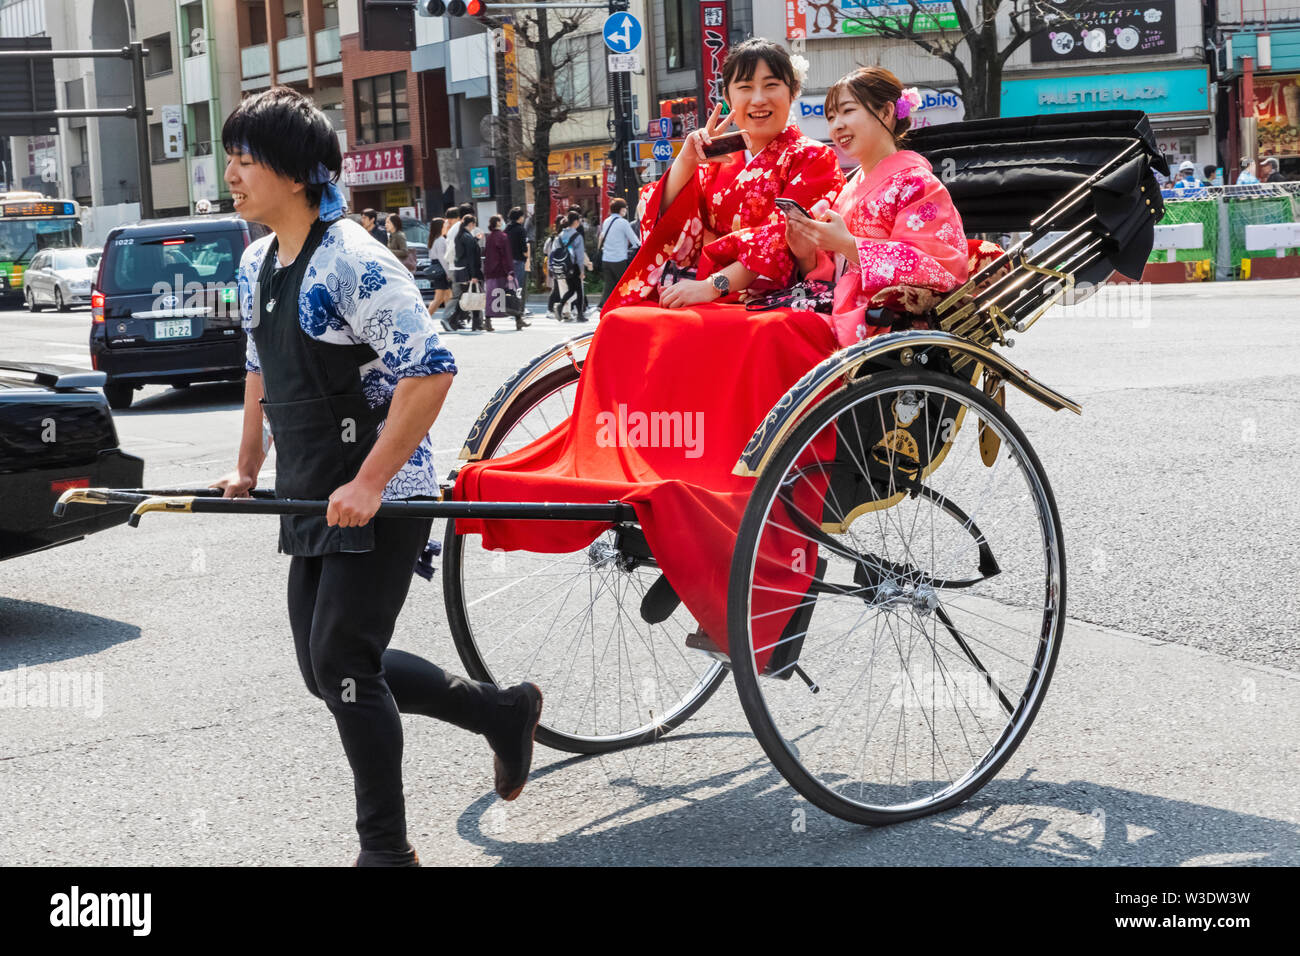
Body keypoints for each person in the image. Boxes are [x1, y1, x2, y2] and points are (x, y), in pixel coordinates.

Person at [211, 86, 542, 868]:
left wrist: (369, 484)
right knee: (325, 669)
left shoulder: (351, 260)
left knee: (342, 663)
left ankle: (385, 851)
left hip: (383, 493)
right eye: (229, 158)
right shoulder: (259, 260)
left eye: (246, 159)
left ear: (295, 173)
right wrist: (248, 463)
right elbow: (262, 368)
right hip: (311, 488)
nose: (231, 173)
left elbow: (430, 369)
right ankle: (499, 712)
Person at [605, 37, 845, 313]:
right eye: (745, 87)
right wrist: (686, 160)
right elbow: (667, 228)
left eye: (771, 85)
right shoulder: (718, 159)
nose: (758, 99)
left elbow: (782, 239)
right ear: (729, 97)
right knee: (624, 320)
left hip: (779, 299)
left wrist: (712, 285)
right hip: (707, 293)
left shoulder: (813, 157)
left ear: (793, 91)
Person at [786, 67, 971, 348]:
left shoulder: (918, 184)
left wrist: (848, 244)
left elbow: (937, 266)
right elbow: (831, 267)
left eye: (847, 111)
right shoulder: (847, 189)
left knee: (778, 330)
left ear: (885, 112)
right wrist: (805, 255)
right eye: (831, 117)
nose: (836, 126)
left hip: (876, 320)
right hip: (839, 302)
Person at [484, 214, 528, 331]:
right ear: (498, 223)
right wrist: (510, 271)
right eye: (501, 220)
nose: (503, 222)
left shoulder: (488, 237)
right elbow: (506, 256)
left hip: (491, 272)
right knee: (512, 294)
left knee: (491, 297)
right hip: (502, 271)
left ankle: (487, 321)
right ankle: (518, 319)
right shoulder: (503, 237)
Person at [597, 198, 640, 308]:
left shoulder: (607, 221)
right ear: (621, 210)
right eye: (625, 208)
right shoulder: (623, 222)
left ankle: (602, 305)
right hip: (619, 259)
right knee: (623, 284)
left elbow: (601, 237)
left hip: (606, 258)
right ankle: (625, 305)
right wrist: (637, 247)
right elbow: (634, 240)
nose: (625, 210)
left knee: (609, 284)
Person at [452, 212, 487, 331]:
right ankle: (474, 324)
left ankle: (458, 320)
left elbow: (464, 253)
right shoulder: (467, 237)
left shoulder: (461, 235)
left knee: (466, 296)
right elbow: (471, 258)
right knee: (473, 296)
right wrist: (474, 275)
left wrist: (475, 239)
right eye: (474, 224)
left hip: (462, 271)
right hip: (469, 272)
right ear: (472, 224)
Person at [548, 210, 585, 321]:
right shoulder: (577, 236)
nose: (579, 222)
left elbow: (554, 252)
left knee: (572, 290)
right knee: (579, 291)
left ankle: (561, 306)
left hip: (564, 266)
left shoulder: (560, 235)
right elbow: (580, 255)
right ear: (575, 221)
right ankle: (579, 315)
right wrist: (582, 270)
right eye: (579, 220)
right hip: (574, 266)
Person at [425, 216, 454, 330]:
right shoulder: (441, 240)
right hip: (441, 269)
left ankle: (448, 320)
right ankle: (426, 320)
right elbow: (443, 258)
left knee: (446, 296)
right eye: (445, 225)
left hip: (436, 268)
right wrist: (448, 273)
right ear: (440, 227)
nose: (447, 226)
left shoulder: (433, 239)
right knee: (439, 298)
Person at [505, 206, 530, 297]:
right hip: (518, 261)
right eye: (522, 216)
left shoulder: (506, 229)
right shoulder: (520, 229)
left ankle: (509, 306)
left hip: (507, 261)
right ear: (519, 217)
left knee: (509, 285)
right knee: (518, 285)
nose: (523, 218)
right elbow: (524, 248)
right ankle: (517, 306)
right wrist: (526, 256)